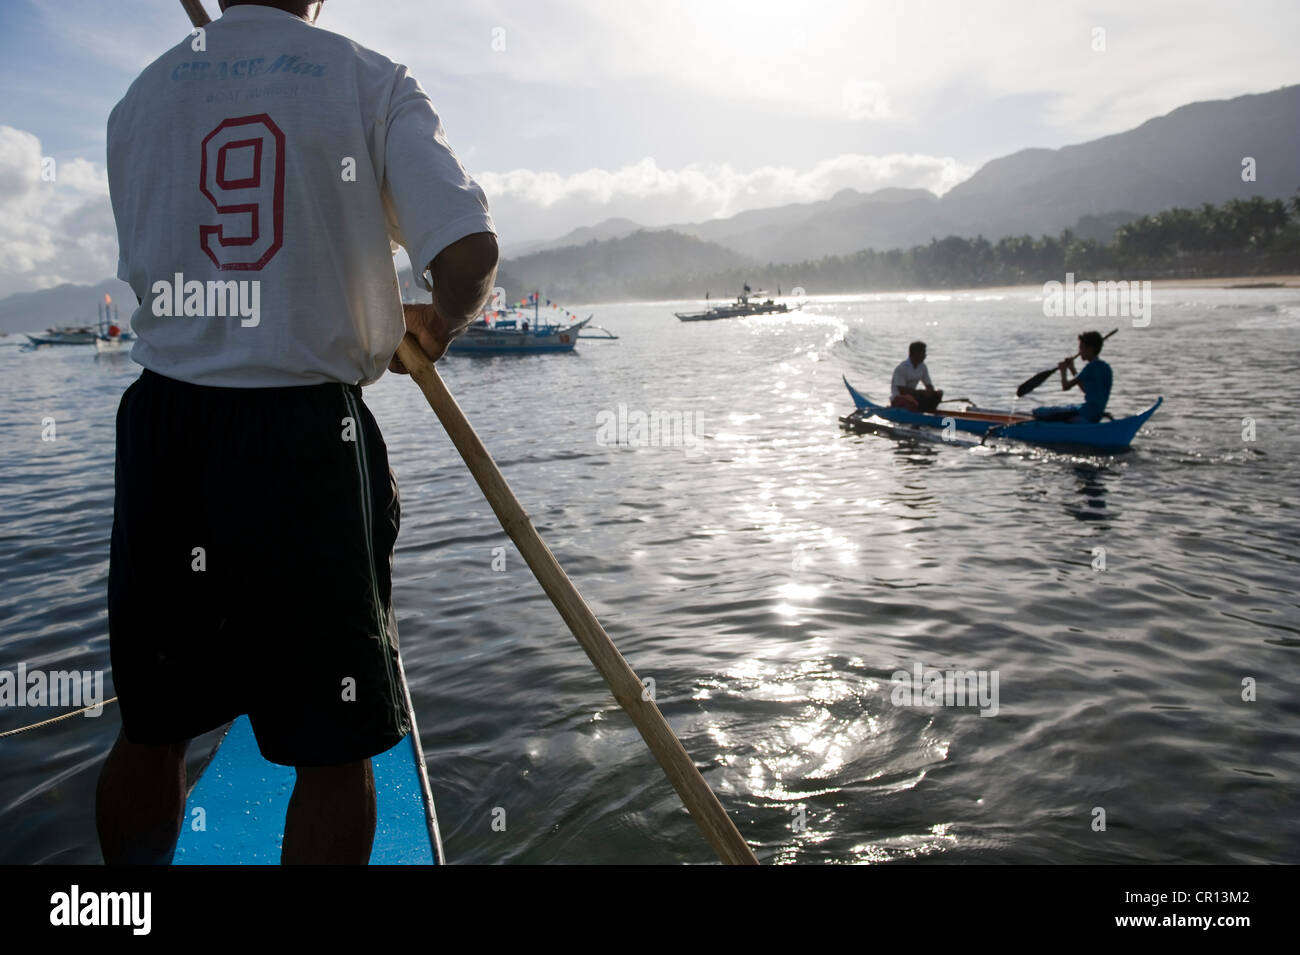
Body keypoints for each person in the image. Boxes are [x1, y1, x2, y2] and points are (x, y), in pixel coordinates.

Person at [97, 0, 498, 864]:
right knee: (334, 748)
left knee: (152, 726)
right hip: (303, 440)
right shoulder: (366, 79)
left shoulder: (140, 96)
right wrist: (437, 326)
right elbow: (466, 256)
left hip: (165, 427)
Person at [1033, 330, 1112, 422]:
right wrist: (1072, 368)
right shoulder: (1106, 368)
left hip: (1085, 413)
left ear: (1090, 349)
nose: (1079, 351)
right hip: (1096, 414)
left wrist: (1063, 371)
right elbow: (1087, 390)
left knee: (1039, 412)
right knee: (1065, 409)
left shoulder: (1090, 368)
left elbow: (1065, 386)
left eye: (1081, 348)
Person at [890, 341, 943, 412]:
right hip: (899, 397)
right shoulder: (902, 368)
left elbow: (929, 385)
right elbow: (902, 391)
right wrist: (920, 392)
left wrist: (930, 392)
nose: (925, 356)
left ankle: (929, 412)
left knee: (938, 393)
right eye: (923, 353)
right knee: (912, 401)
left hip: (913, 396)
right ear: (915, 353)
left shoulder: (922, 367)